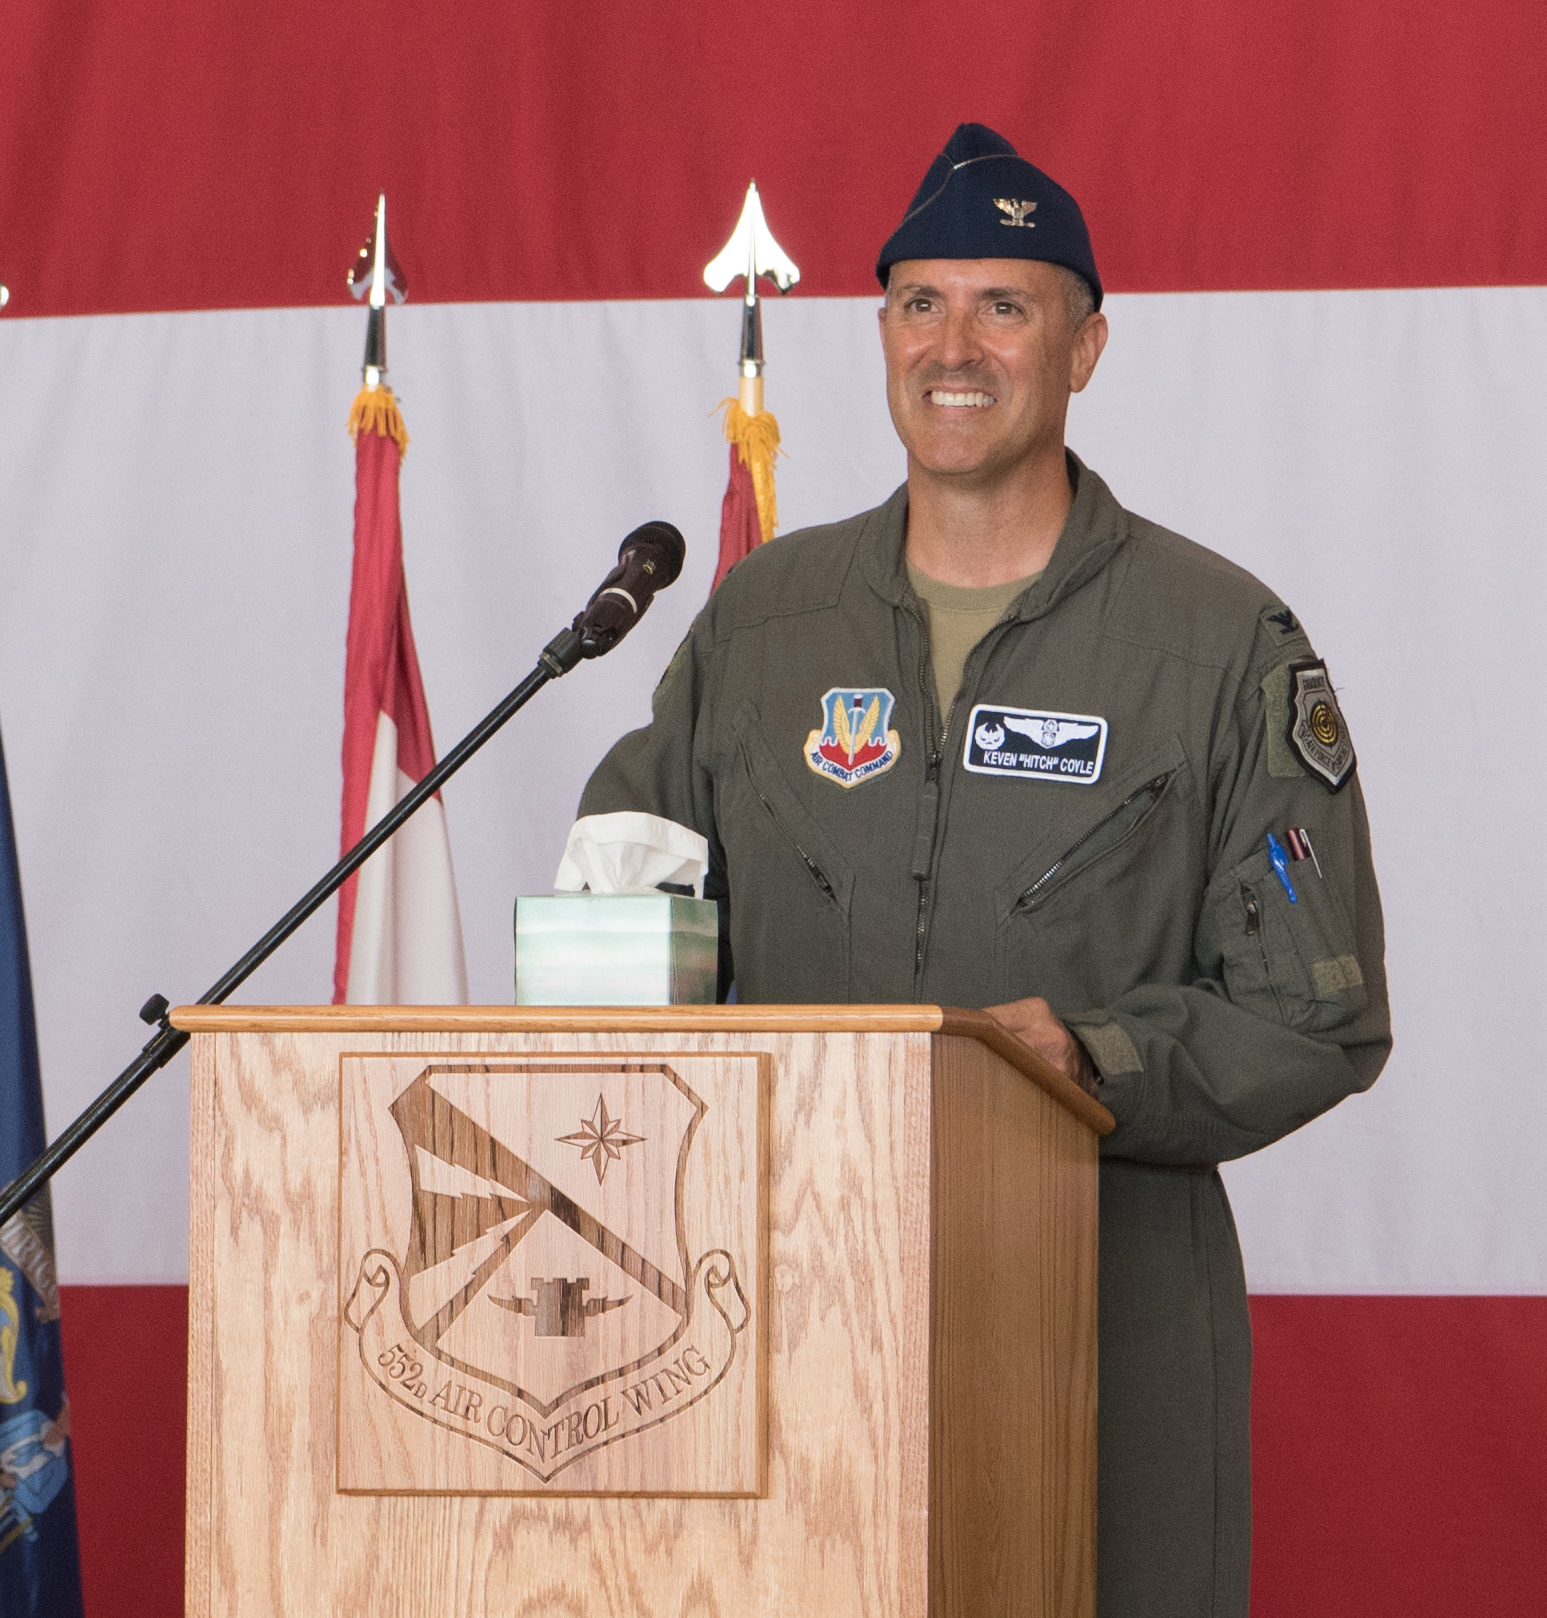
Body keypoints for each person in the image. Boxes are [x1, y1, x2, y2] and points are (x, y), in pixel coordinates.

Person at [560, 123, 1391, 1616]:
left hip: (1098, 1320)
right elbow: (628, 901)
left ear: (1086, 346)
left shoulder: (1219, 643)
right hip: (781, 1317)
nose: (957, 345)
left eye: (1005, 305)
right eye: (921, 303)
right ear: (880, 331)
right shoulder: (762, 622)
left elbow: (1318, 1011)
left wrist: (1089, 1055)